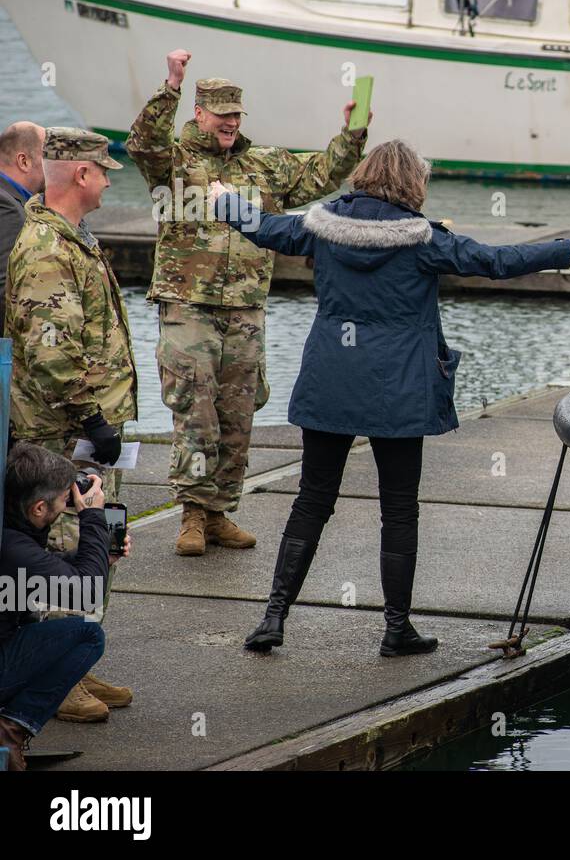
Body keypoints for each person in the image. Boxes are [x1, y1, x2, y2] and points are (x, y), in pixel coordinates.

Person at [209, 140, 570, 655]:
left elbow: (264, 226)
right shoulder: (424, 240)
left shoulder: (318, 227)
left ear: (365, 176)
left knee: (312, 499)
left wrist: (223, 199)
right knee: (399, 509)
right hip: (398, 388)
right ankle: (396, 630)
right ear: (413, 183)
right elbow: (498, 261)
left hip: (331, 379)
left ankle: (273, 619)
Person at [125, 48, 370, 557]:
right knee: (196, 410)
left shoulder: (265, 164)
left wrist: (351, 134)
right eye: (222, 115)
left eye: (236, 115)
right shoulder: (175, 162)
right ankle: (191, 513)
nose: (231, 123)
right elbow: (143, 143)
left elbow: (322, 175)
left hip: (246, 307)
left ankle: (218, 513)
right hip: (187, 304)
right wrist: (170, 85)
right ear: (199, 114)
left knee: (238, 413)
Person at [4, 127, 137, 724]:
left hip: (81, 432)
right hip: (59, 434)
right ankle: (55, 671)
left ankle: (73, 658)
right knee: (60, 551)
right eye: (104, 170)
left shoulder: (67, 236)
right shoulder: (47, 249)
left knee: (97, 538)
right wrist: (92, 416)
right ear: (81, 175)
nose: (110, 179)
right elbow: (48, 349)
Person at [0, 444, 131, 771]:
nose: (69, 504)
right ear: (39, 508)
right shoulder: (14, 547)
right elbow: (87, 593)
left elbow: (34, 573)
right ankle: (10, 730)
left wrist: (101, 555)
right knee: (87, 636)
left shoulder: (10, 530)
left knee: (31, 613)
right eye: (64, 499)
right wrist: (93, 518)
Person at [0, 122, 46, 328]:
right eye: (46, 156)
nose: (52, 167)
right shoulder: (8, 206)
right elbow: (5, 287)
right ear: (24, 161)